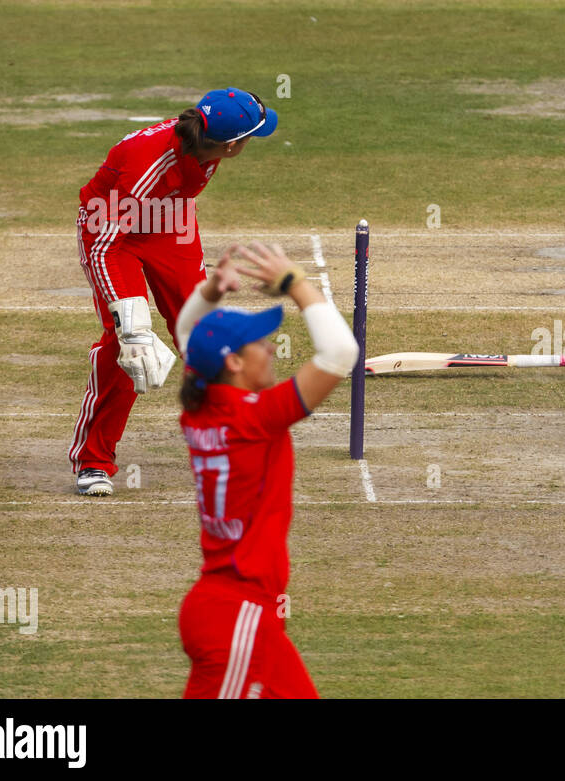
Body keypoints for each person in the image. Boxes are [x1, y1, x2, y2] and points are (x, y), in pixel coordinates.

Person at [70, 87, 278, 496]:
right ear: (233, 145)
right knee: (126, 346)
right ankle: (93, 461)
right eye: (251, 137)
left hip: (170, 221)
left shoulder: (205, 144)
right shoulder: (149, 168)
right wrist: (130, 322)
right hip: (113, 230)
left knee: (203, 333)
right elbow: (103, 244)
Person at [175, 242, 358, 699]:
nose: (271, 347)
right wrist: (296, 284)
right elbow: (340, 353)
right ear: (233, 362)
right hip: (237, 616)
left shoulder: (202, 405)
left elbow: (188, 336)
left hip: (236, 613)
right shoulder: (255, 417)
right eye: (259, 341)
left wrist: (209, 292)